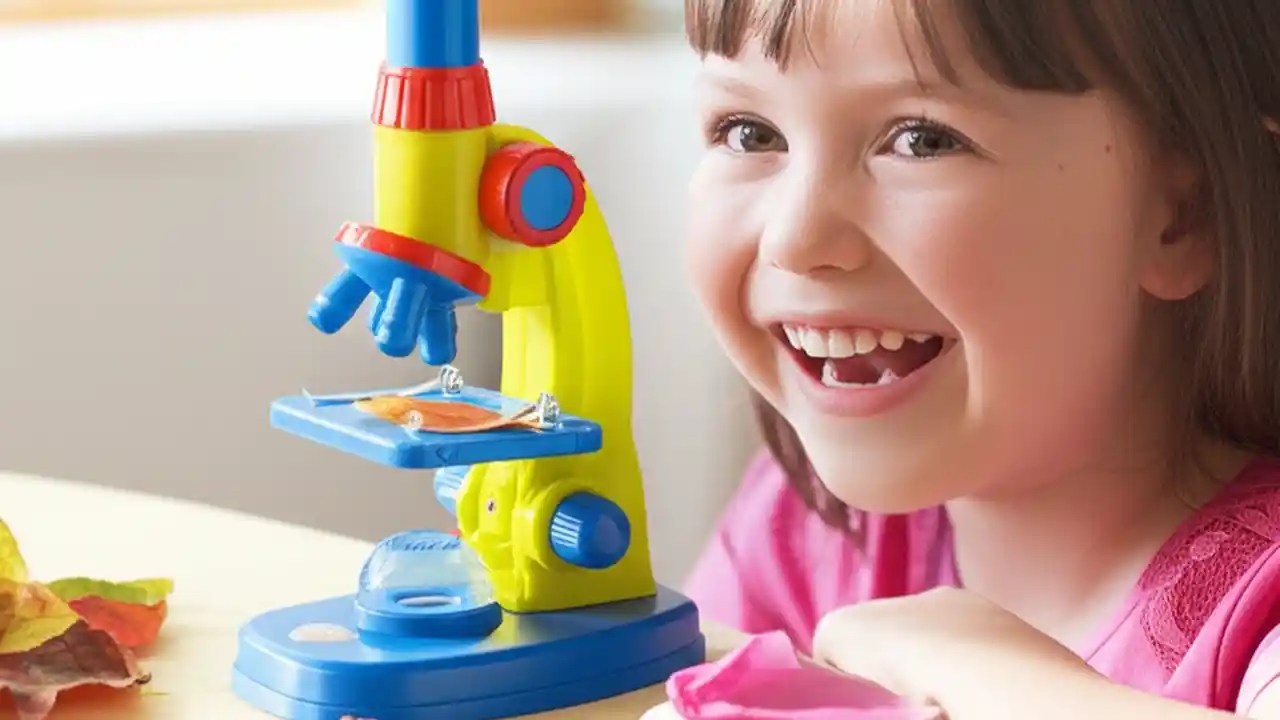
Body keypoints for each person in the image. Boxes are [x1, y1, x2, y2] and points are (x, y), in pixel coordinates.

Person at [672, 0, 1280, 718]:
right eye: (749, 132)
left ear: (1182, 217)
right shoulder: (803, 523)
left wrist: (973, 667)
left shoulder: (1261, 603)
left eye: (922, 141)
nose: (795, 239)